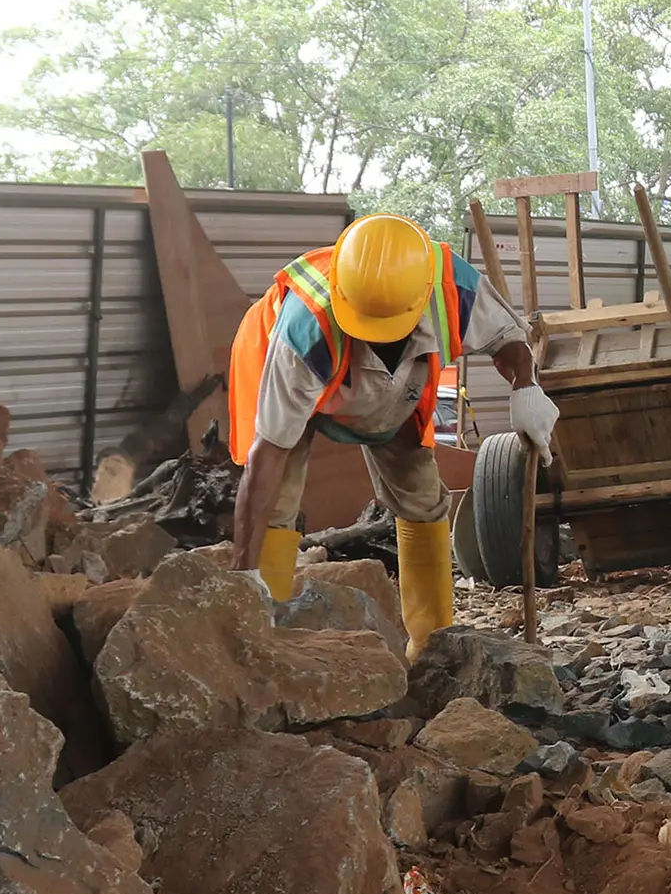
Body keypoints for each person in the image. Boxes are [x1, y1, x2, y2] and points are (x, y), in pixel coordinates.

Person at [225, 213, 558, 658]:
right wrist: (244, 570)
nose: (377, 335)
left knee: (422, 499)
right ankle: (264, 641)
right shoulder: (302, 335)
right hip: (297, 372)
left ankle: (431, 646)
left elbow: (509, 341)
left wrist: (526, 388)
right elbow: (267, 458)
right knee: (278, 501)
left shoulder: (452, 287)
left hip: (397, 387)